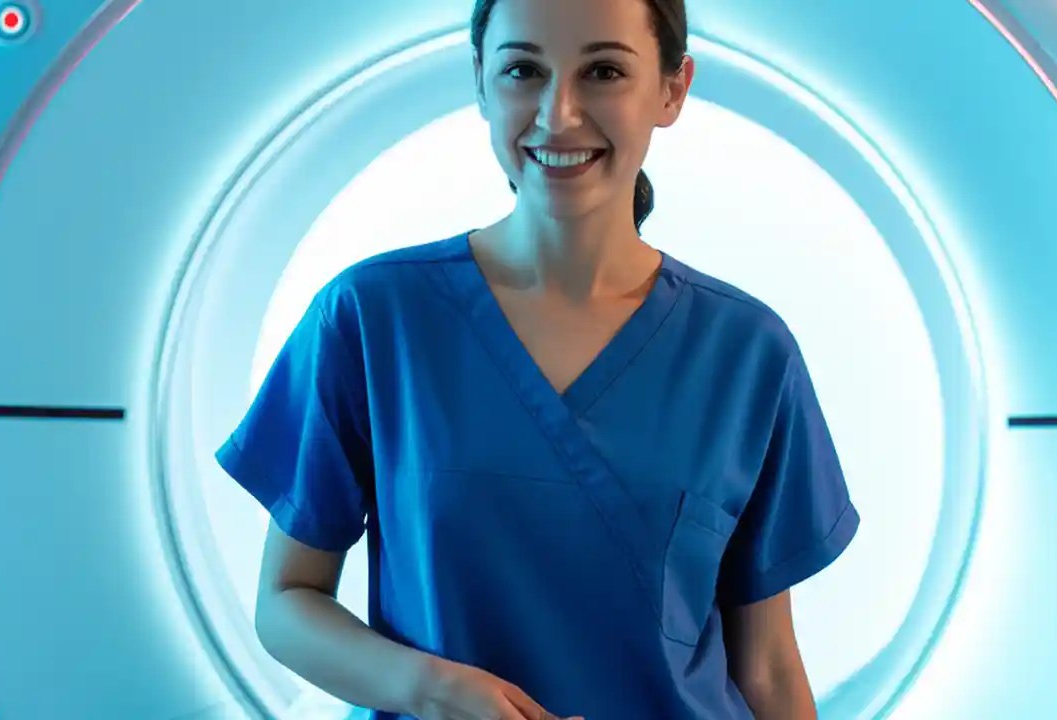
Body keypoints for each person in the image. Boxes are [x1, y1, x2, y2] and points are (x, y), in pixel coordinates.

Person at [214, 0, 859, 717]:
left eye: (605, 71)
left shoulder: (746, 353)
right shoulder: (372, 318)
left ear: (672, 90)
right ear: (482, 85)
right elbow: (286, 601)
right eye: (523, 70)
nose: (559, 114)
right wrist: (431, 690)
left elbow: (767, 667)